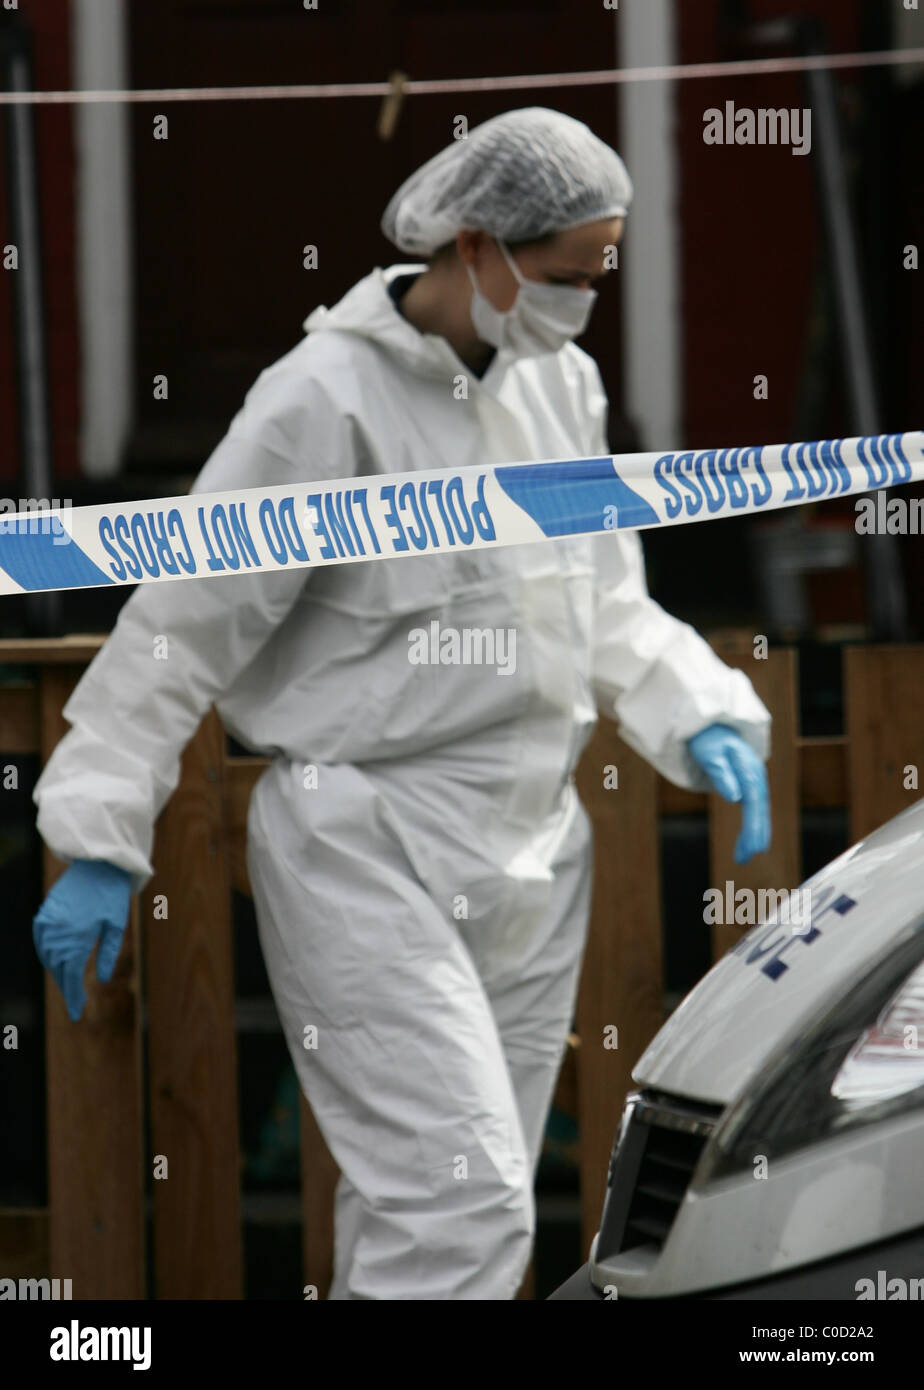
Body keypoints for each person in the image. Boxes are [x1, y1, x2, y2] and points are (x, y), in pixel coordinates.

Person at [32, 107, 772, 1300]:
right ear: (475, 245)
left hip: (532, 844)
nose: (586, 301)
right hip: (363, 839)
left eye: (600, 274)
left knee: (446, 1205)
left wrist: (703, 713)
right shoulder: (323, 400)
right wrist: (97, 830)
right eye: (567, 274)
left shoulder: (559, 387)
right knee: (458, 1204)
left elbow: (605, 600)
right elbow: (186, 615)